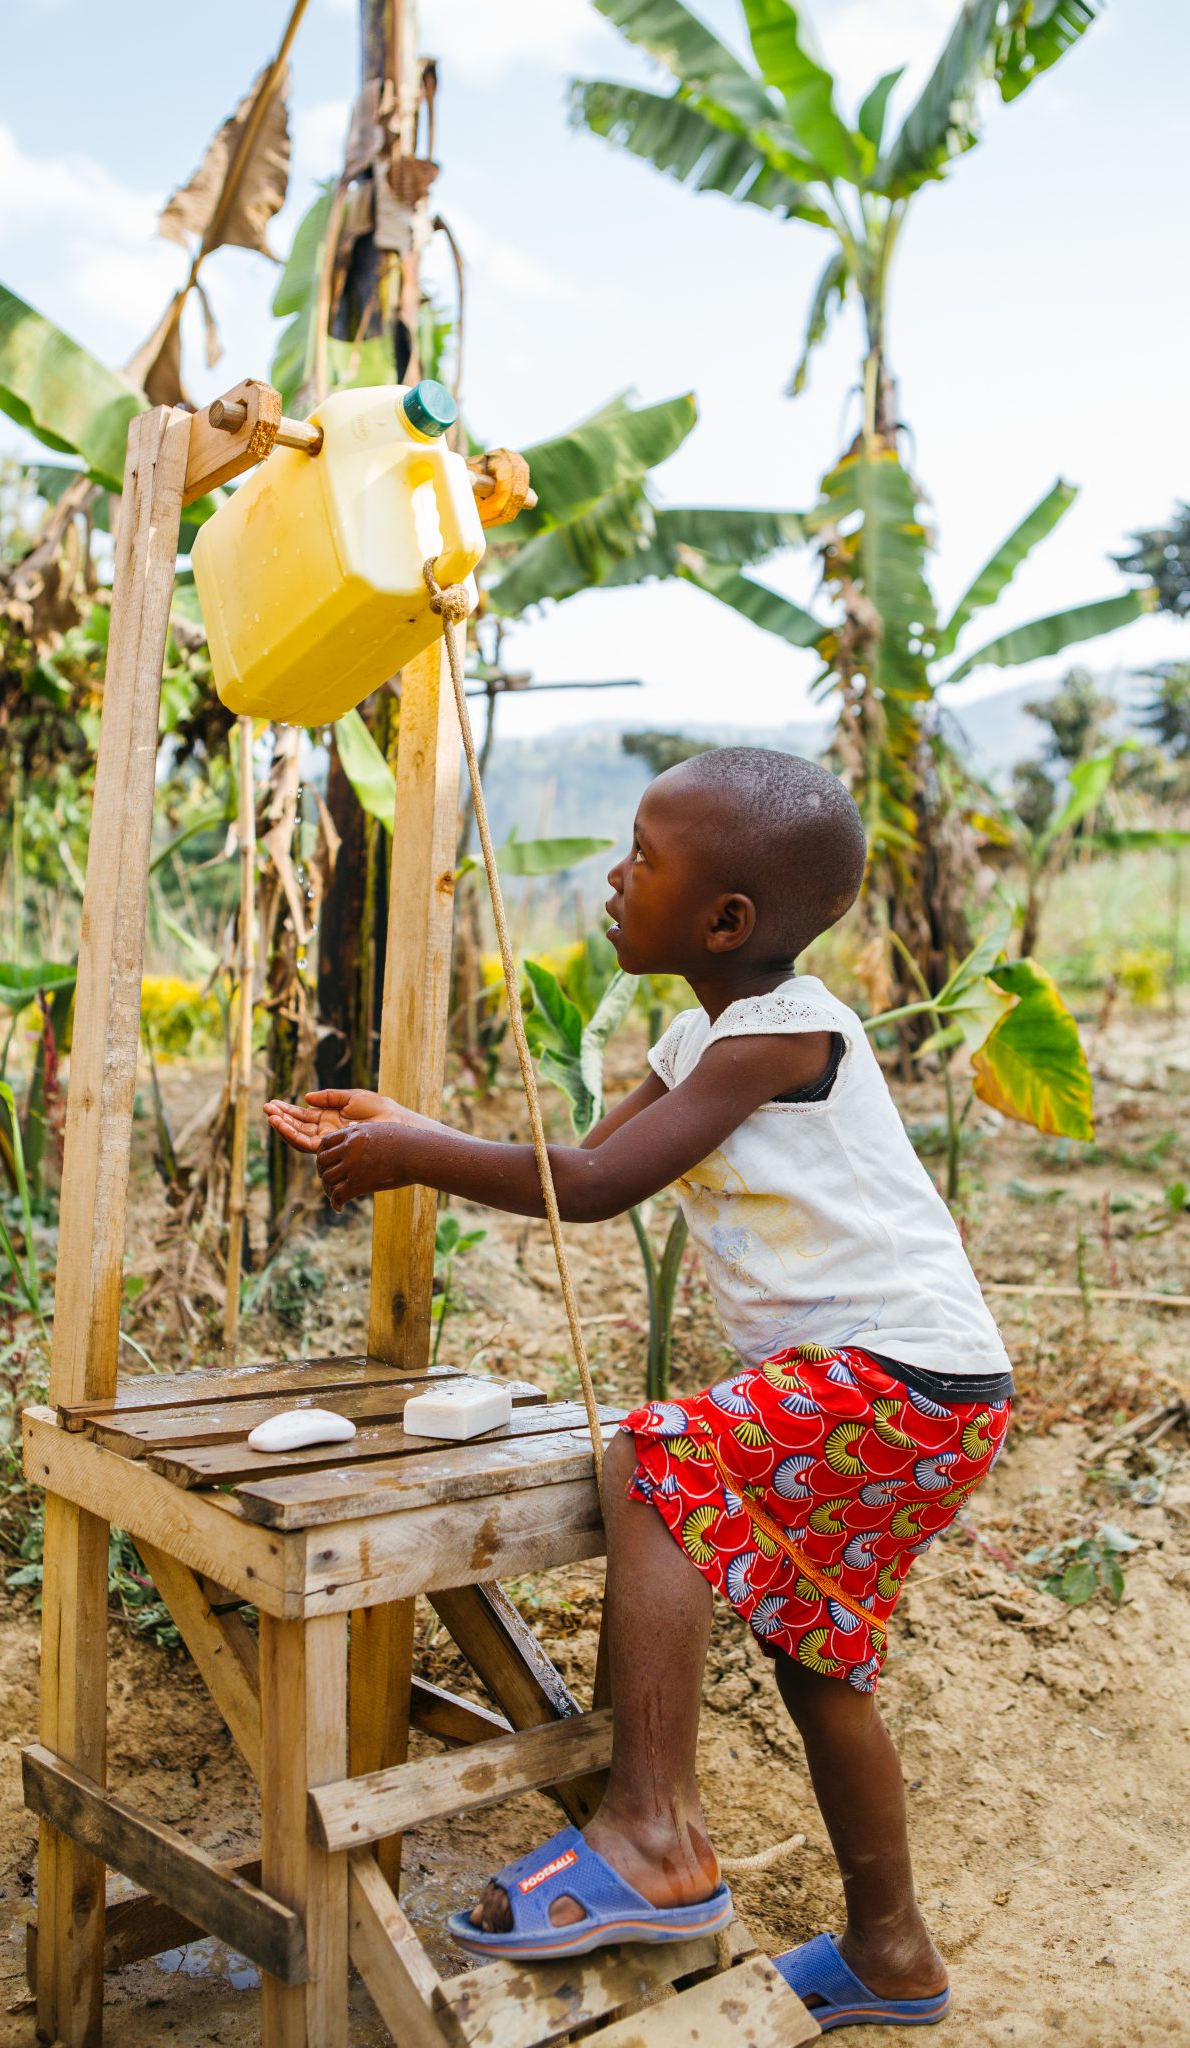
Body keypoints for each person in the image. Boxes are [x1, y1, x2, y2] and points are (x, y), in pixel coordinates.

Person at [265, 748, 1012, 2033]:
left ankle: (654, 1829)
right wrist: (408, 1126)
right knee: (817, 1653)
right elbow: (584, 1163)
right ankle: (892, 1948)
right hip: (919, 1385)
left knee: (655, 1457)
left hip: (907, 1375)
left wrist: (416, 1153)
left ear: (726, 921)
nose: (615, 877)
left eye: (643, 859)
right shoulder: (705, 1035)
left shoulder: (784, 1032)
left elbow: (597, 1188)